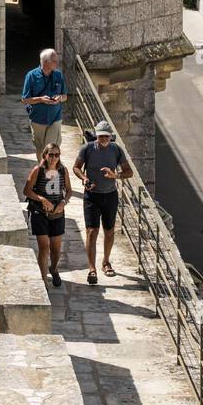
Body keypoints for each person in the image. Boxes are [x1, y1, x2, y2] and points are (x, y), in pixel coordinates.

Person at [73, 121, 132, 285]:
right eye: (100, 136)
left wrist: (116, 176)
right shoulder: (88, 148)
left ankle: (106, 262)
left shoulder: (116, 149)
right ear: (96, 136)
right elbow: (76, 167)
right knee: (91, 231)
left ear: (111, 136)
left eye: (106, 136)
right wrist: (84, 179)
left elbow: (129, 172)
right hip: (92, 196)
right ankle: (92, 269)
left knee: (109, 231)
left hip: (110, 196)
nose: (103, 139)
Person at [23, 143, 71, 287]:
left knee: (55, 250)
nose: (53, 158)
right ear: (45, 155)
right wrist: (42, 199)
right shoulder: (38, 170)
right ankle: (43, 282)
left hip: (57, 214)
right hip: (40, 212)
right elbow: (27, 190)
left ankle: (54, 269)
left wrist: (63, 202)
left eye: (57, 155)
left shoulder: (63, 170)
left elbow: (69, 190)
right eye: (51, 154)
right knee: (44, 248)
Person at [22, 48, 68, 162]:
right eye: (54, 60)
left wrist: (59, 98)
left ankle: (51, 172)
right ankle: (42, 169)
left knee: (52, 148)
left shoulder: (58, 75)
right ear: (46, 61)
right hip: (38, 118)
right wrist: (41, 99)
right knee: (41, 148)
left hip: (55, 117)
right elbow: (25, 99)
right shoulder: (31, 76)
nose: (57, 62)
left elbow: (65, 96)